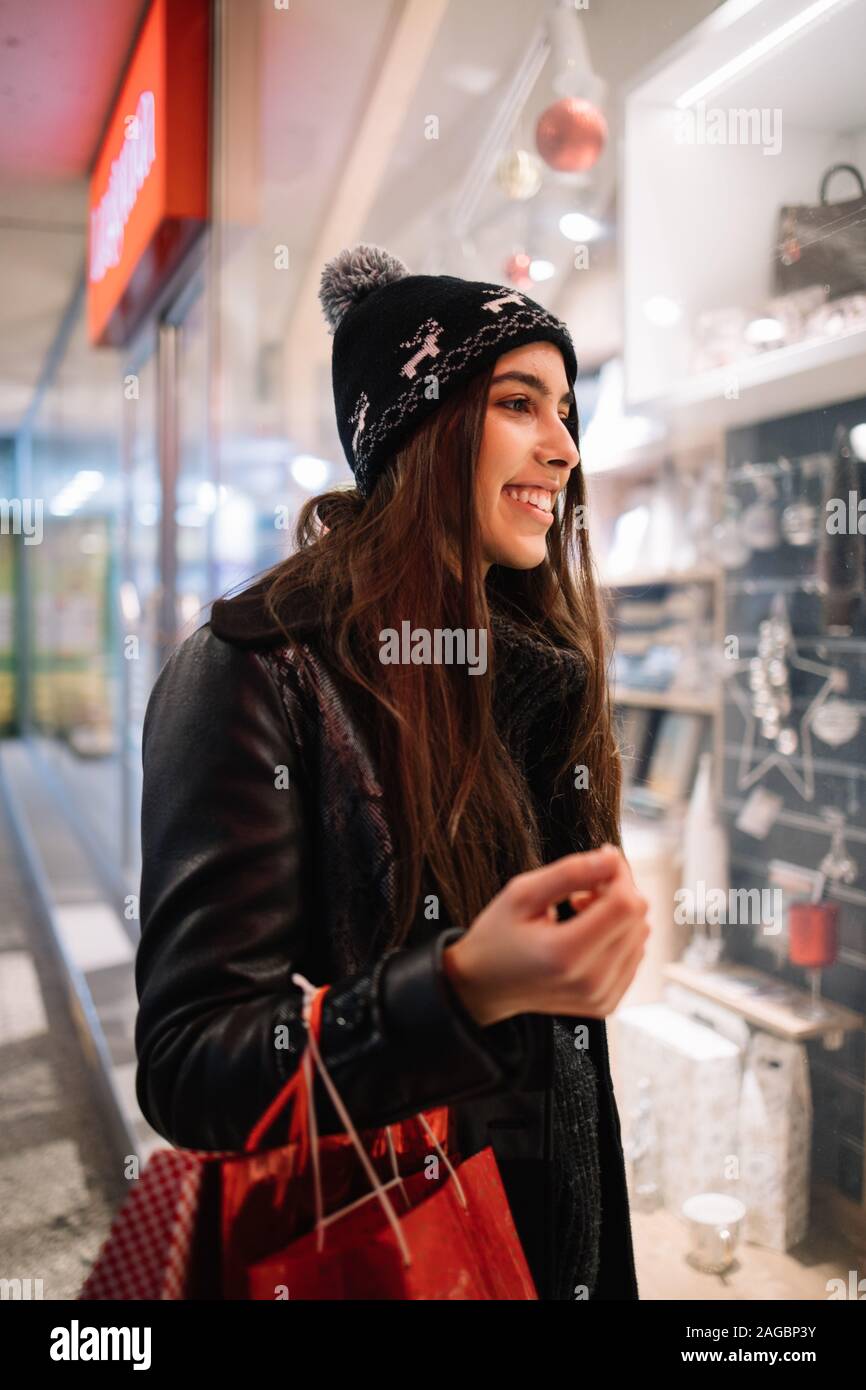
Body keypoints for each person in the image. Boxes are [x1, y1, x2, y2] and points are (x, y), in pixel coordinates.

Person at [134, 243, 650, 1301]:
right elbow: (189, 1062)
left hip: (548, 1237)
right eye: (519, 402)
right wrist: (456, 989)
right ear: (417, 427)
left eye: (565, 409)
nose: (562, 447)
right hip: (376, 1251)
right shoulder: (255, 669)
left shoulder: (534, 672)